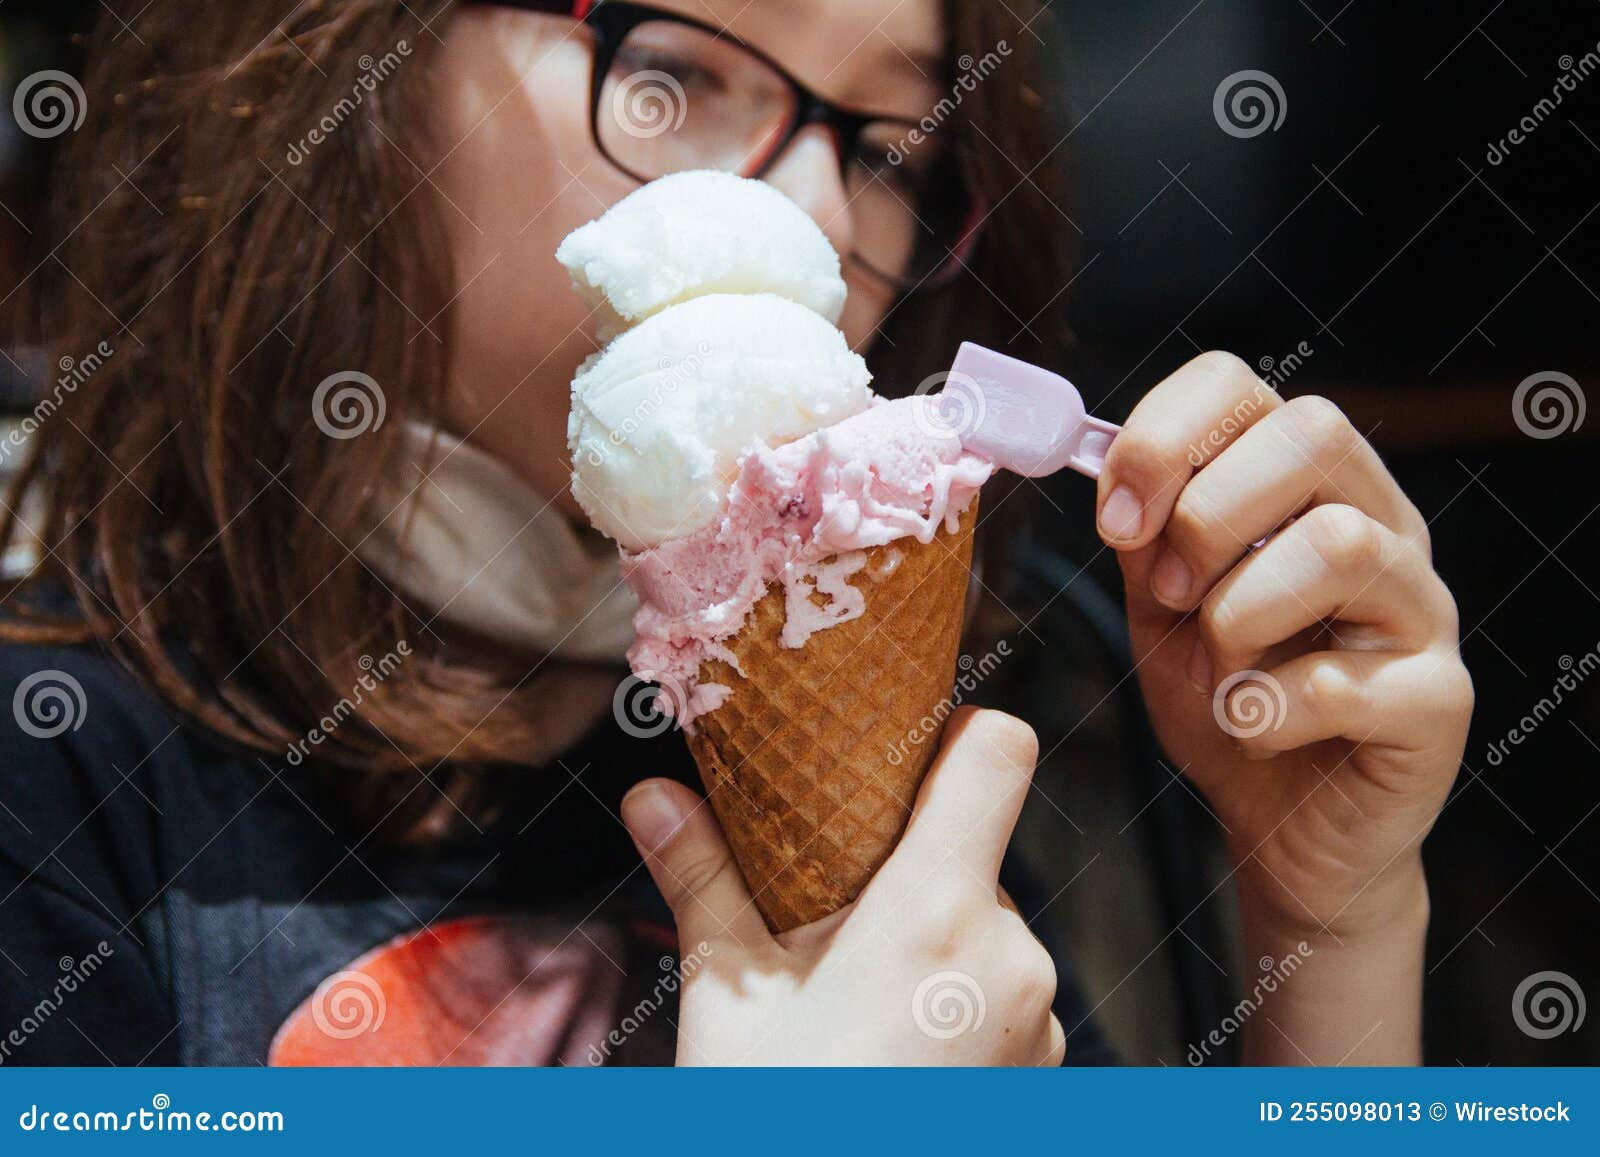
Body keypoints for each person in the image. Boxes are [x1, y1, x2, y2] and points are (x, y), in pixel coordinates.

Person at [0, 0, 1470, 1066]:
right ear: (349, 70)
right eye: (673, 75)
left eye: (890, 148)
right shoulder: (55, 784)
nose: (825, 216)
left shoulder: (901, 787)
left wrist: (1328, 923)